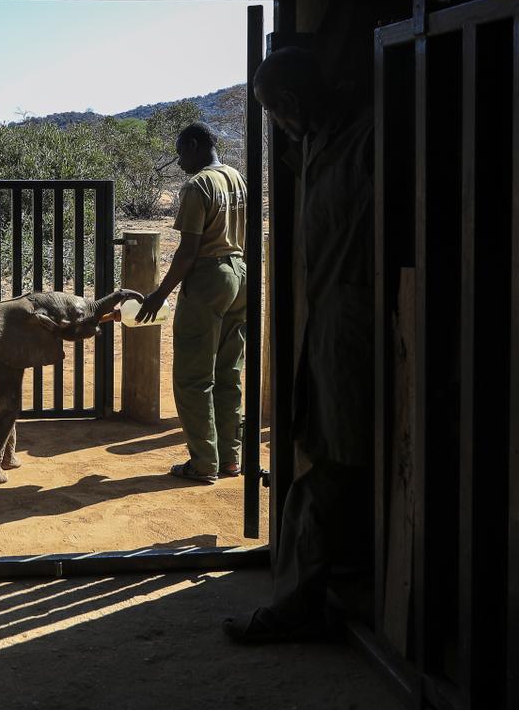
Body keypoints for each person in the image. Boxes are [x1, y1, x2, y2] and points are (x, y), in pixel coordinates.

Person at [224, 47, 374, 643]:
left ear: (289, 104)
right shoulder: (324, 144)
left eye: (275, 114)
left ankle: (297, 606)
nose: (280, 129)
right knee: (327, 453)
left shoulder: (360, 144)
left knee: (324, 477)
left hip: (354, 331)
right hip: (336, 329)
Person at [135, 121, 249, 483]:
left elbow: (187, 251)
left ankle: (203, 463)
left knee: (192, 377)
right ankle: (231, 458)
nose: (181, 161)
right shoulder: (236, 177)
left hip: (209, 278)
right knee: (228, 371)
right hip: (240, 275)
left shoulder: (198, 184)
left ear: (197, 146)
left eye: (182, 152)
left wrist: (159, 293)